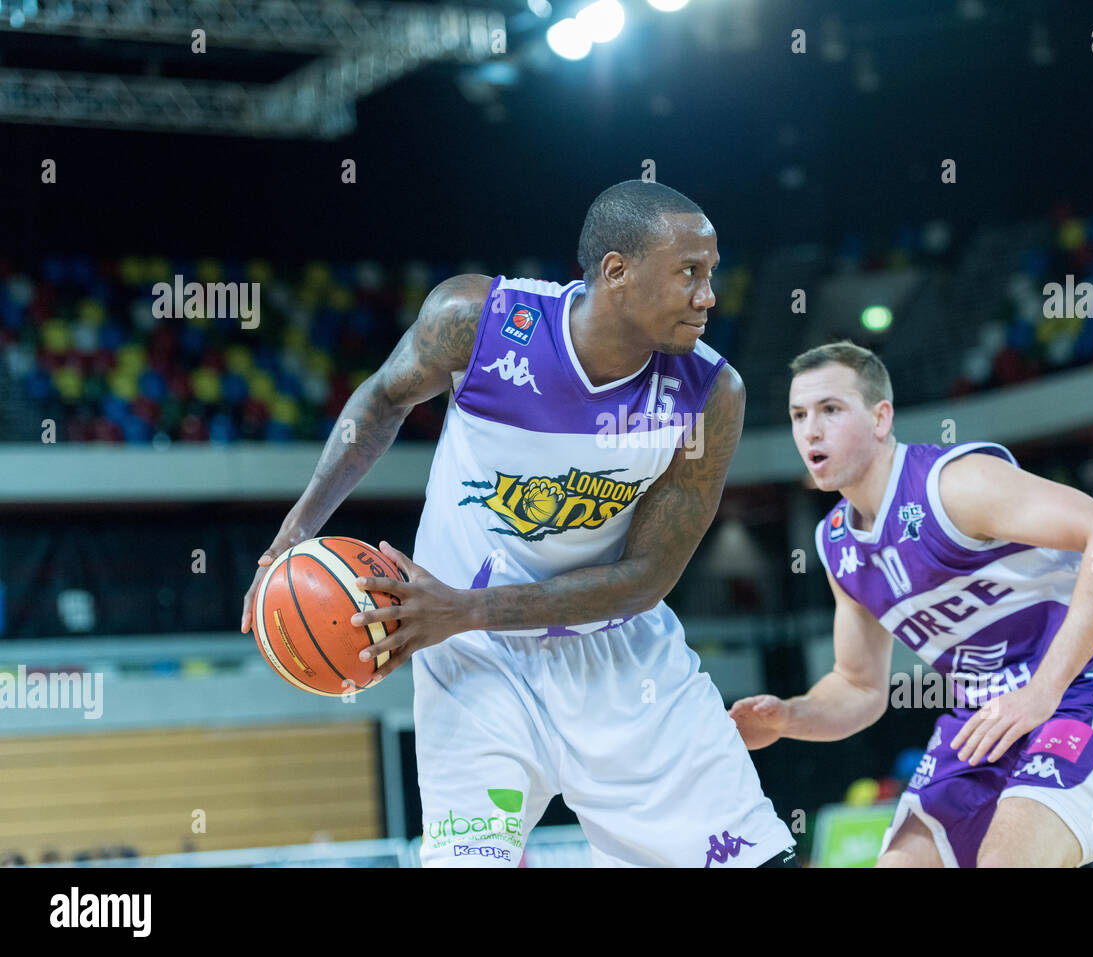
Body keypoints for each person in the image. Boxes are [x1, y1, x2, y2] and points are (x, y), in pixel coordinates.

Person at [240, 180, 795, 868]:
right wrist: (297, 527)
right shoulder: (480, 318)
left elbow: (645, 578)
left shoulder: (711, 394)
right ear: (617, 271)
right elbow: (381, 402)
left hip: (617, 659)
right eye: (690, 272)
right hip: (472, 662)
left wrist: (464, 608)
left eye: (711, 274)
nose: (709, 295)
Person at [729, 340, 1093, 867]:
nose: (811, 431)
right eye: (799, 415)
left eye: (830, 409)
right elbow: (860, 687)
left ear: (880, 418)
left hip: (1090, 689)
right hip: (985, 722)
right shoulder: (838, 548)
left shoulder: (953, 486)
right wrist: (789, 717)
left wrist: (1041, 690)